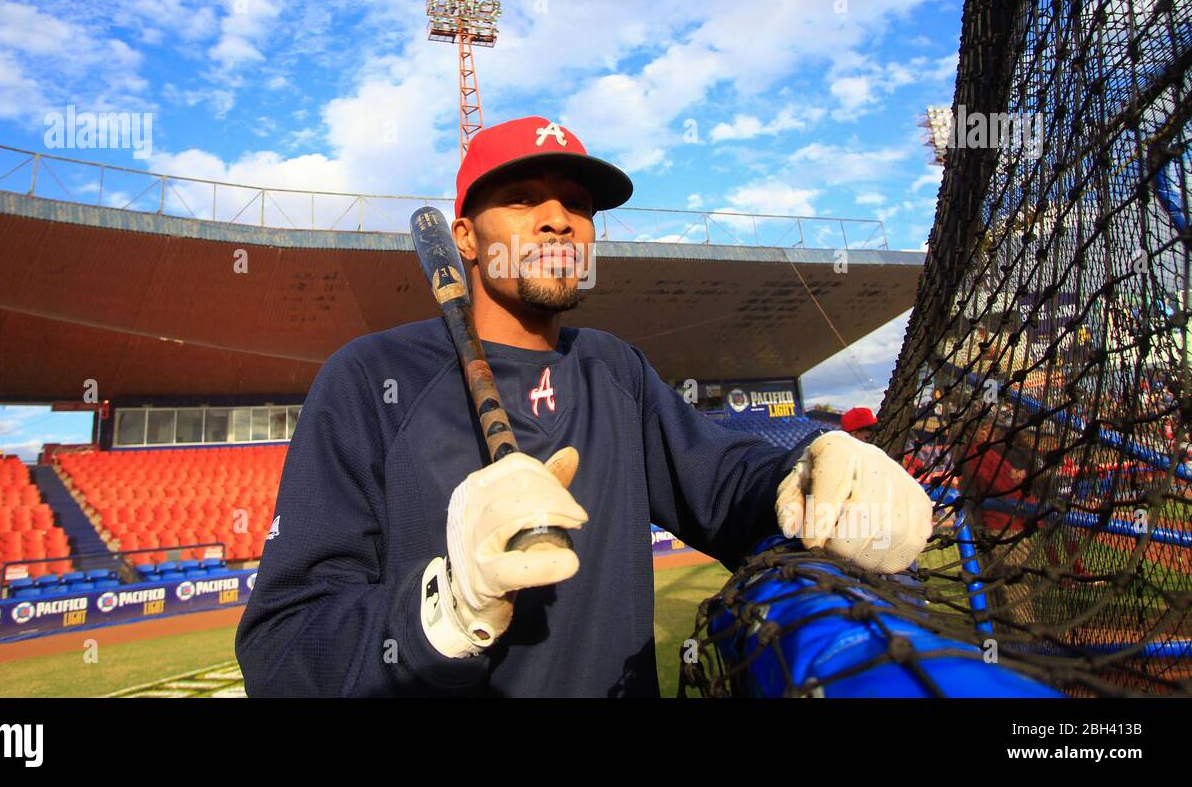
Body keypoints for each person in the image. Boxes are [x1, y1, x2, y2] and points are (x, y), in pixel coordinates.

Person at [235, 116, 933, 697]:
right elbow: (283, 649)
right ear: (466, 240)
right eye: (522, 198)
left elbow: (723, 484)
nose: (557, 221)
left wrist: (804, 473)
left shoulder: (614, 370)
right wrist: (448, 606)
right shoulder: (370, 377)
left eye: (577, 204)